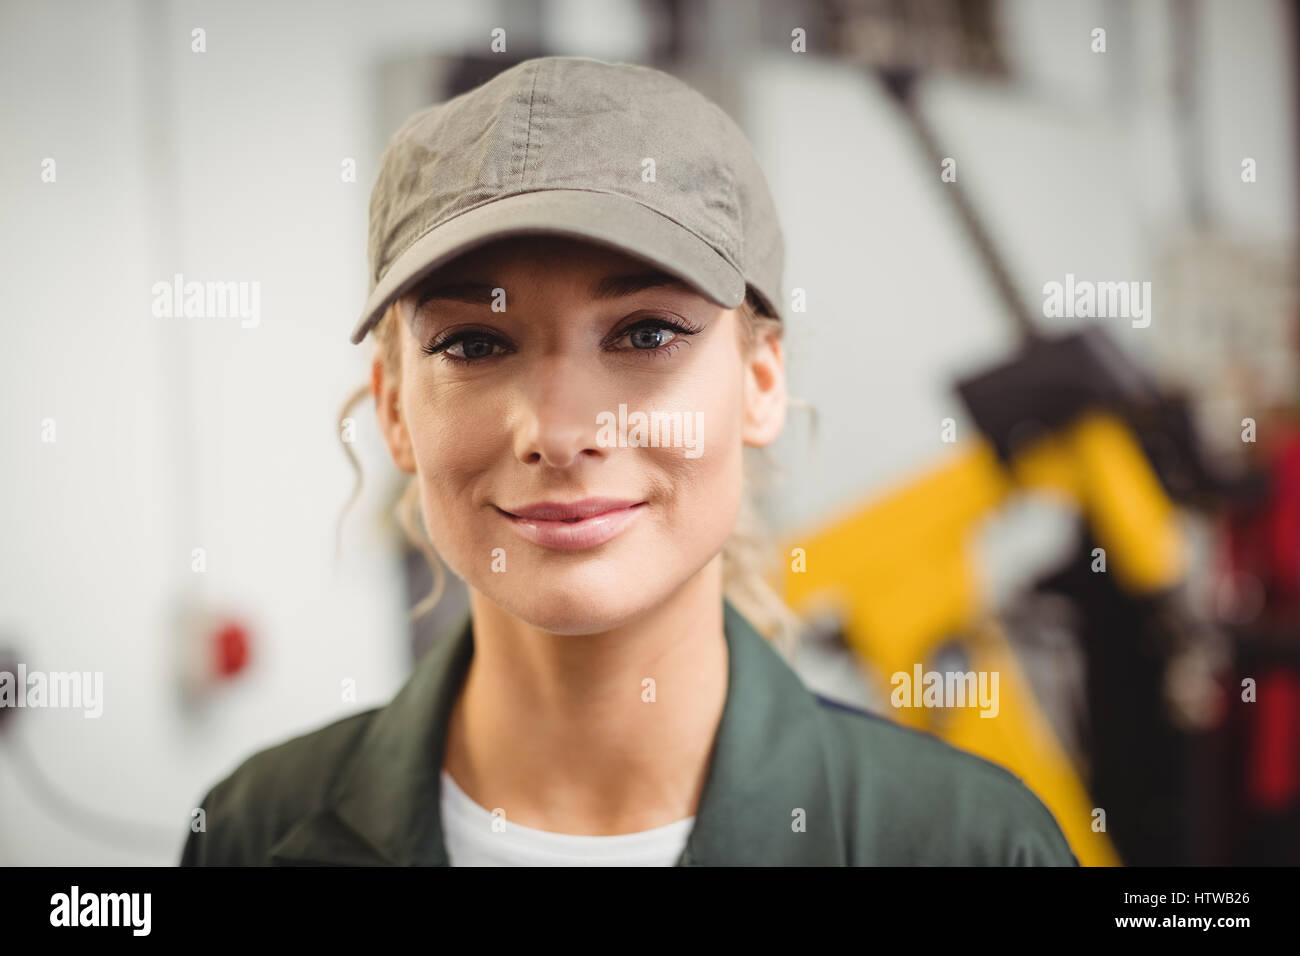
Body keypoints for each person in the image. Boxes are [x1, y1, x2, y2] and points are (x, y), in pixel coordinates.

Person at [180, 54, 1077, 866]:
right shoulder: (255, 831)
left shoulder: (971, 848)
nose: (560, 432)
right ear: (393, 410)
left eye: (647, 332)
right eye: (474, 345)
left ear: (761, 381)